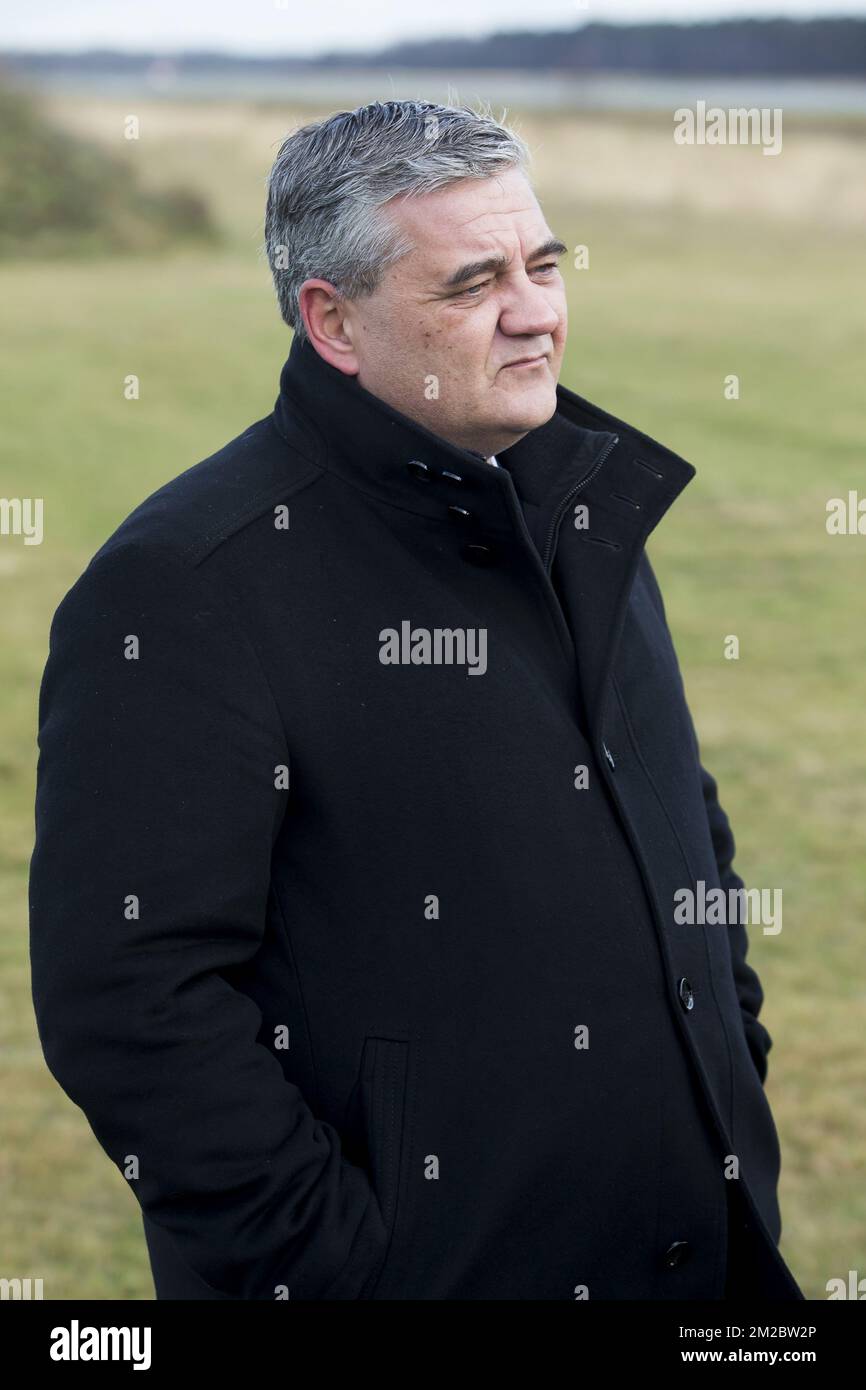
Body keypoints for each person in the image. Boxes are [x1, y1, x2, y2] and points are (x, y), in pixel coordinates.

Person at [29, 99, 803, 1300]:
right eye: (471, 282)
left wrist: (726, 1074)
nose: (535, 312)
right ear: (331, 320)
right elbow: (131, 1000)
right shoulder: (185, 585)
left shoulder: (579, 503)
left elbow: (677, 823)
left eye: (543, 265)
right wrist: (351, 1270)